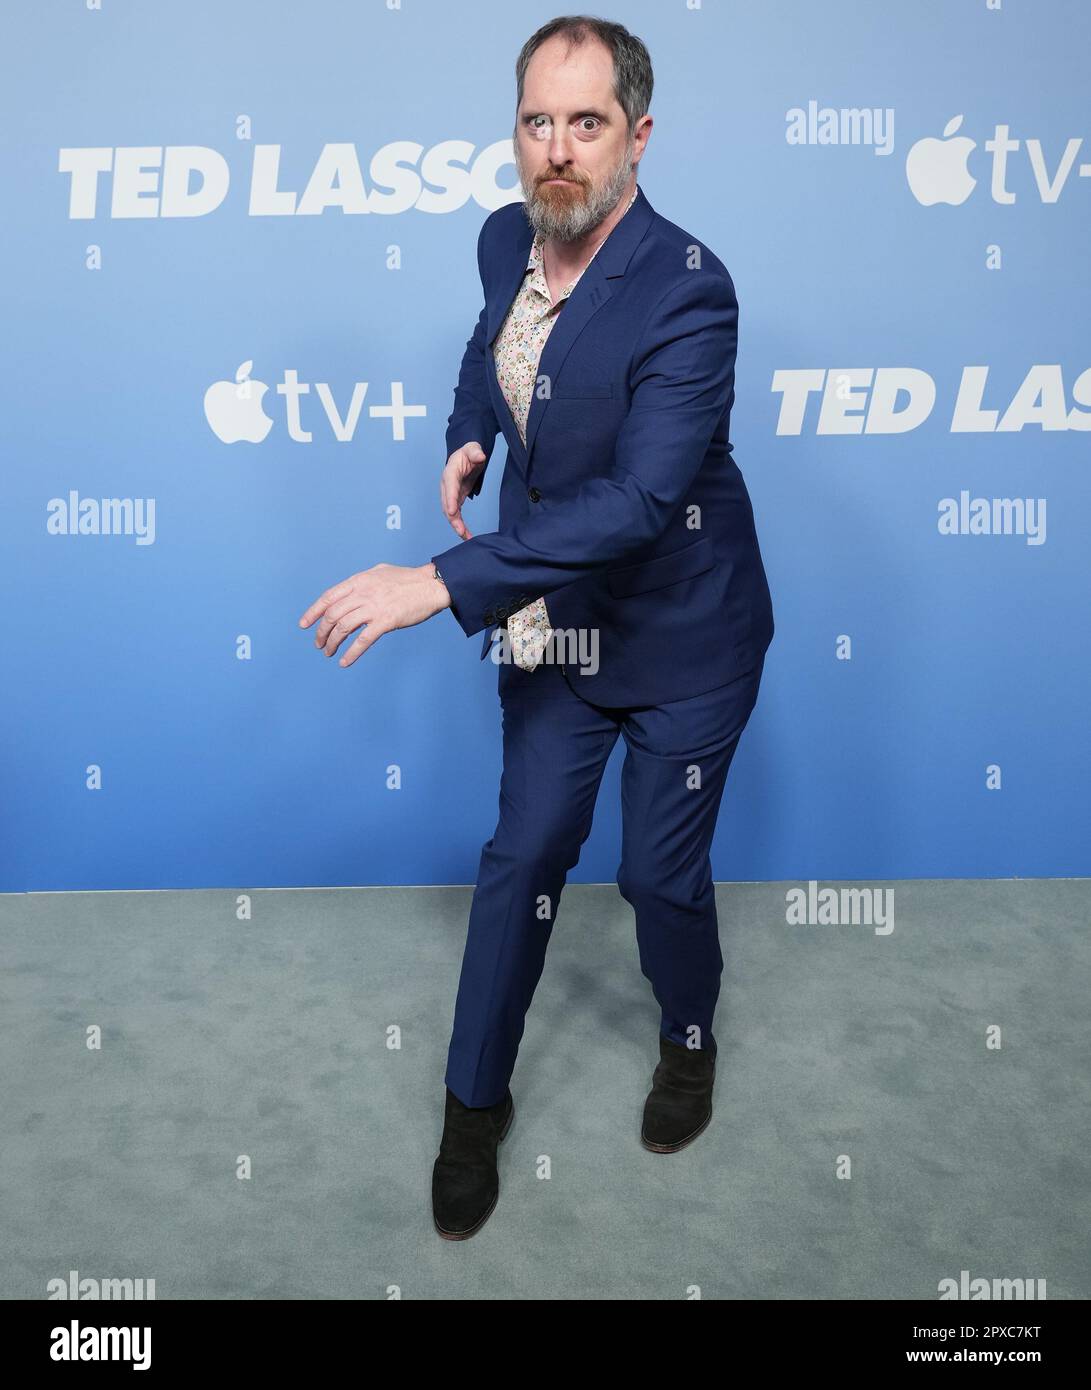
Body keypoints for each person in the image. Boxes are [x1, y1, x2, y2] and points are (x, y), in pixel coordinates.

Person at [299, 15, 774, 1241]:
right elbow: (486, 348)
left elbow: (637, 501)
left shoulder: (689, 290)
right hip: (553, 624)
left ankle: (686, 1040)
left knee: (655, 873)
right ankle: (471, 1105)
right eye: (535, 121)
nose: (556, 149)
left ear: (637, 136)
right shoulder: (507, 235)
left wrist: (442, 578)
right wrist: (469, 430)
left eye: (586, 123)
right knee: (522, 856)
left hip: (684, 633)